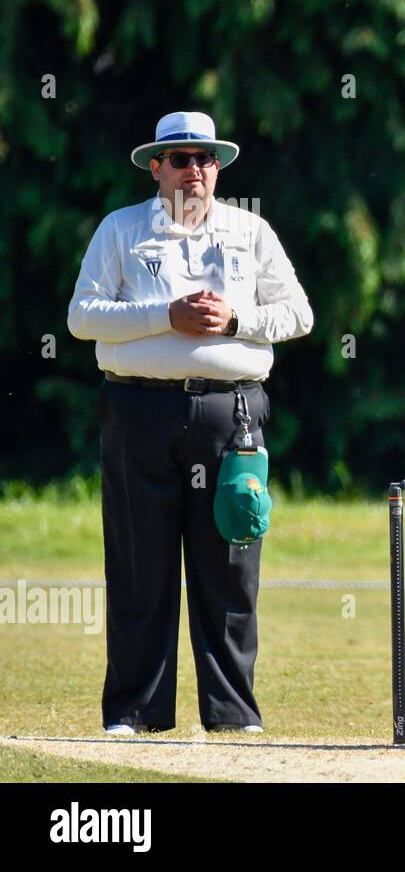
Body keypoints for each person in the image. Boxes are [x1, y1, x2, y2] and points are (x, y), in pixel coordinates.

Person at [67, 111, 314, 735]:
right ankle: (133, 713)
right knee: (137, 567)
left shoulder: (249, 230)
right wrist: (166, 315)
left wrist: (234, 322)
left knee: (230, 564)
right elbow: (82, 318)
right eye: (180, 158)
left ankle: (232, 714)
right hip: (138, 410)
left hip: (231, 414)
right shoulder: (120, 230)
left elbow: (298, 315)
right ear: (156, 167)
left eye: (206, 158)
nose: (195, 170)